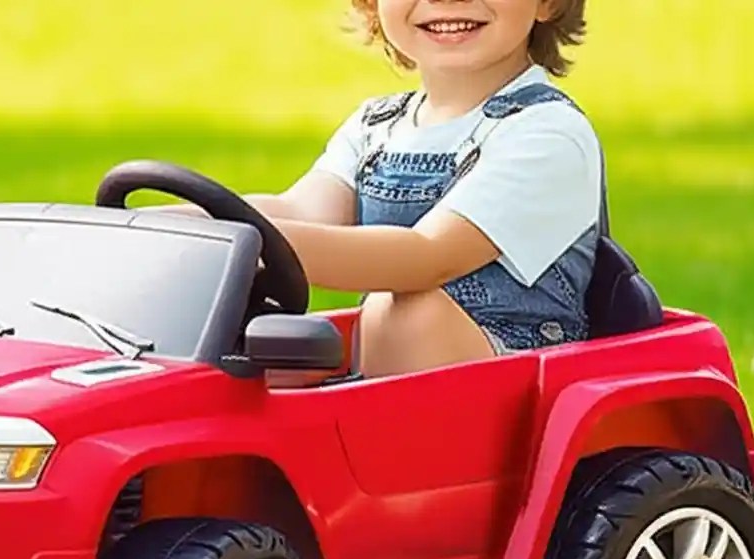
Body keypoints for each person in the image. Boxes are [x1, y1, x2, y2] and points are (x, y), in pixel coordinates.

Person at [167, 0, 604, 378]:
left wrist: (247, 241)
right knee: (257, 348)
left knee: (406, 313)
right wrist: (179, 226)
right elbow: (299, 210)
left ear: (548, 3)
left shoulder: (548, 135)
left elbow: (425, 256)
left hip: (513, 379)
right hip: (394, 367)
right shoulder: (377, 126)